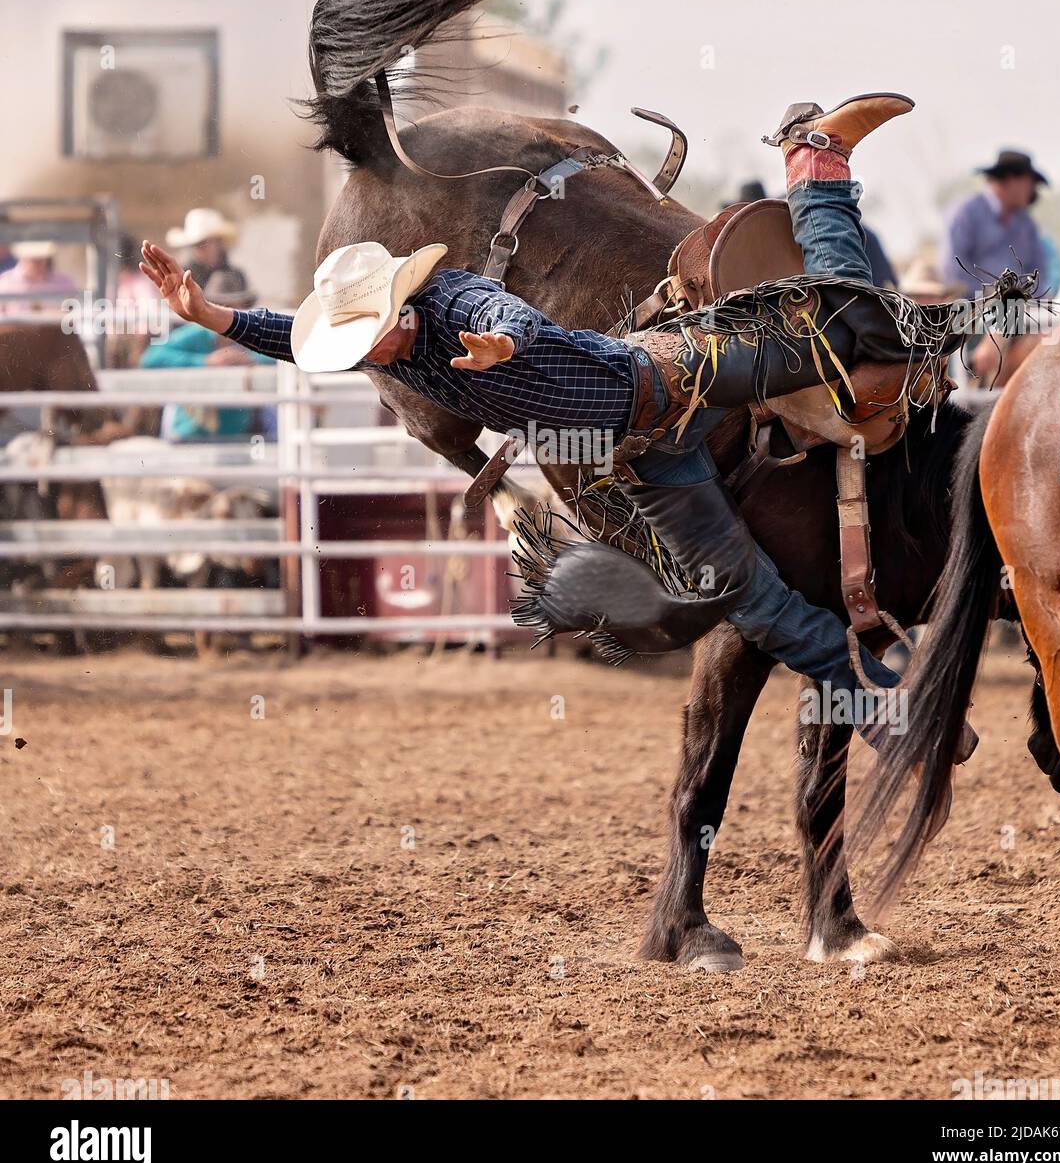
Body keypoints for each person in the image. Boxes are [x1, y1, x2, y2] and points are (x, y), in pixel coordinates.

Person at [139, 92, 972, 730]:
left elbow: (509, 318)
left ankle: (814, 163)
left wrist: (508, 346)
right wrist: (211, 315)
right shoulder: (397, 342)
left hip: (673, 377)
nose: (365, 353)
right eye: (353, 346)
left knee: (852, 355)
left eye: (365, 336)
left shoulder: (460, 301)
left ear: (398, 307)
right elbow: (287, 334)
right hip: (645, 457)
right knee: (746, 596)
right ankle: (893, 712)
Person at [139, 269, 275, 442]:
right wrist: (206, 361)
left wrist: (249, 360)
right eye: (224, 306)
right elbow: (150, 358)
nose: (231, 313)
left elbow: (280, 357)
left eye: (238, 306)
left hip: (240, 435)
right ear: (211, 308)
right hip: (190, 434)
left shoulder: (252, 336)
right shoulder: (198, 333)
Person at [940, 149, 1050, 292]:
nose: (1032, 190)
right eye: (1029, 184)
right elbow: (953, 268)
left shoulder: (1026, 224)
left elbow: (1038, 270)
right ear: (1011, 181)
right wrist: (985, 298)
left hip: (1017, 309)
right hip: (973, 309)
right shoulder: (966, 214)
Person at [165, 207, 251, 294]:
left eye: (202, 243)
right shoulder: (181, 276)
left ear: (218, 242)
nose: (198, 249)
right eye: (193, 245)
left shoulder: (237, 275)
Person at [0, 240, 78, 315]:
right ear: (22, 257)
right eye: (33, 258)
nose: (37, 262)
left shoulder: (64, 282)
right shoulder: (5, 283)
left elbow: (75, 314)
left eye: (41, 257)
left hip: (55, 328)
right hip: (15, 328)